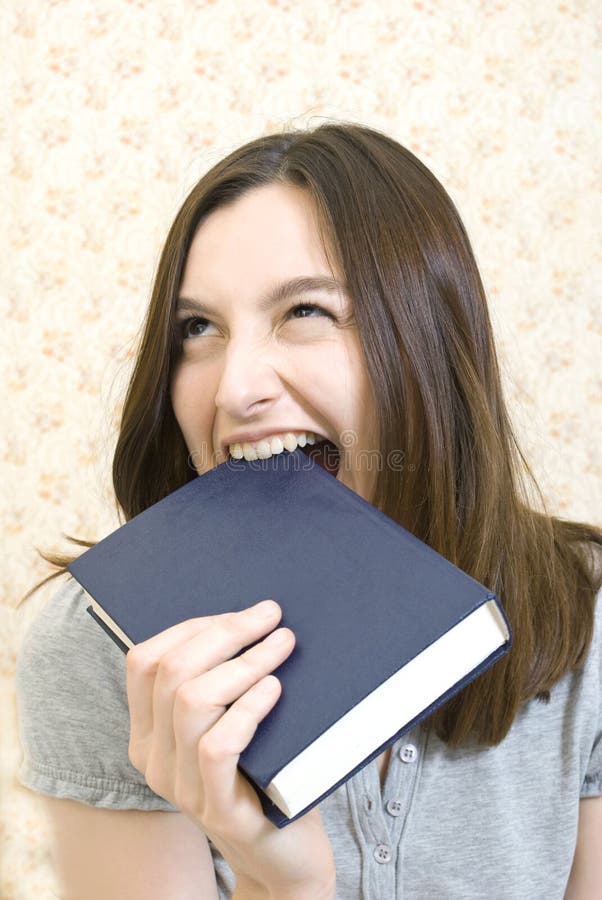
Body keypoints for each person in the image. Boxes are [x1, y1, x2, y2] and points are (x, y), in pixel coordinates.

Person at [15, 121, 602, 900]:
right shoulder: (100, 652)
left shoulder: (587, 616)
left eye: (304, 312)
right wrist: (282, 883)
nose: (234, 389)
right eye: (198, 328)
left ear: (427, 336)